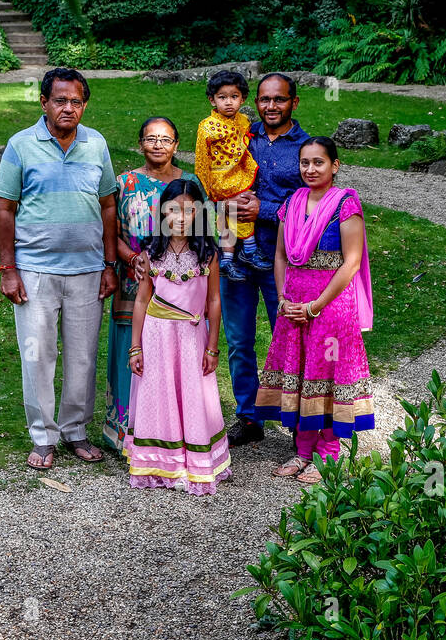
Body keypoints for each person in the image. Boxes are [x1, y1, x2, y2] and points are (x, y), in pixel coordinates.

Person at [0, 67, 119, 470]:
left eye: (76, 101)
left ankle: (75, 432)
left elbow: (108, 205)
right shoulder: (20, 145)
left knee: (82, 357)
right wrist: (8, 269)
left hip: (87, 269)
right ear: (44, 102)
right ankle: (43, 437)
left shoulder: (96, 144)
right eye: (60, 100)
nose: (69, 108)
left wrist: (110, 264)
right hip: (35, 271)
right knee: (38, 355)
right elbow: (4, 209)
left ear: (84, 105)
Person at [256, 136, 375, 485]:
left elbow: (351, 262)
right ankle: (303, 451)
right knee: (301, 371)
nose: (310, 169)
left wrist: (315, 306)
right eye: (305, 162)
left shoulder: (345, 204)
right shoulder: (292, 202)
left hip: (331, 306)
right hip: (293, 304)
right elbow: (280, 255)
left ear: (334, 166)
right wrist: (282, 299)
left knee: (327, 373)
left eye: (318, 162)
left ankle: (329, 456)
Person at [102, 116, 206, 453]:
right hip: (134, 283)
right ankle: (125, 434)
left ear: (177, 145)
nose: (158, 144)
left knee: (172, 357)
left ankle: (171, 432)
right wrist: (133, 259)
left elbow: (206, 232)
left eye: (165, 139)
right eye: (151, 138)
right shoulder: (124, 183)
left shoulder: (191, 182)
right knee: (132, 353)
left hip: (181, 288)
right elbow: (111, 233)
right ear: (140, 143)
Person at [124, 179, 232, 494]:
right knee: (159, 395)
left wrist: (212, 347)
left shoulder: (207, 253)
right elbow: (142, 301)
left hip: (191, 336)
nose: (180, 217)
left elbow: (213, 300)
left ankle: (195, 462)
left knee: (191, 393)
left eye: (188, 210)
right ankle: (160, 462)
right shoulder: (151, 252)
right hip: (156, 336)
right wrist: (135, 347)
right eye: (173, 210)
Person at [220, 72, 310, 446]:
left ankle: (295, 418)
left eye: (279, 99)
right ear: (254, 101)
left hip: (284, 260)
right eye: (264, 99)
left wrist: (265, 209)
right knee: (239, 341)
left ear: (293, 102)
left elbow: (313, 206)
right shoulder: (239, 135)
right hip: (236, 258)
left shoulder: (306, 148)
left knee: (286, 338)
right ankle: (249, 417)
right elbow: (216, 181)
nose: (271, 106)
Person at [193, 70, 265, 282]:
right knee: (226, 213)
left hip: (238, 175)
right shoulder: (207, 127)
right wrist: (206, 190)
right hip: (218, 180)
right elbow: (201, 159)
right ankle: (232, 256)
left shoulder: (243, 120)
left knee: (237, 210)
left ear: (242, 99)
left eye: (234, 97)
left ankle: (235, 256)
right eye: (222, 97)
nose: (228, 102)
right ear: (212, 100)